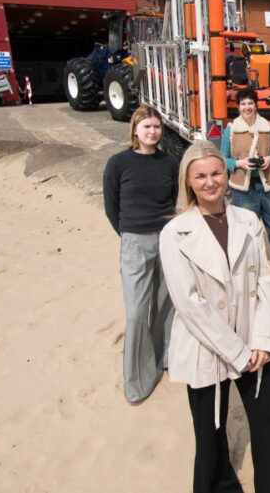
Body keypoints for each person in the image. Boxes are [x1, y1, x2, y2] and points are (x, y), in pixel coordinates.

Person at [159, 140, 270, 493]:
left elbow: (265, 281)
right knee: (210, 439)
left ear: (227, 173)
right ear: (188, 181)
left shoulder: (248, 220)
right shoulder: (174, 233)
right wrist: (236, 351)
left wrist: (262, 341)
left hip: (255, 343)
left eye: (216, 172)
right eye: (200, 175)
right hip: (209, 347)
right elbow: (189, 303)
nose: (210, 182)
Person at [102, 105, 178, 404]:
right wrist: (128, 233)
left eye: (157, 127)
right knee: (136, 312)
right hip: (134, 239)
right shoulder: (118, 163)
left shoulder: (170, 162)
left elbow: (172, 200)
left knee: (165, 302)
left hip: (165, 239)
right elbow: (111, 206)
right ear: (135, 130)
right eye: (146, 126)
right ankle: (137, 380)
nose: (152, 132)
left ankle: (164, 356)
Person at [221, 88, 270, 279]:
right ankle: (248, 272)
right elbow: (222, 159)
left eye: (250, 103)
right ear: (238, 107)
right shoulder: (231, 130)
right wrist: (239, 163)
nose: (247, 107)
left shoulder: (269, 127)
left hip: (269, 186)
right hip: (243, 191)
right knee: (246, 233)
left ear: (256, 105)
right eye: (243, 104)